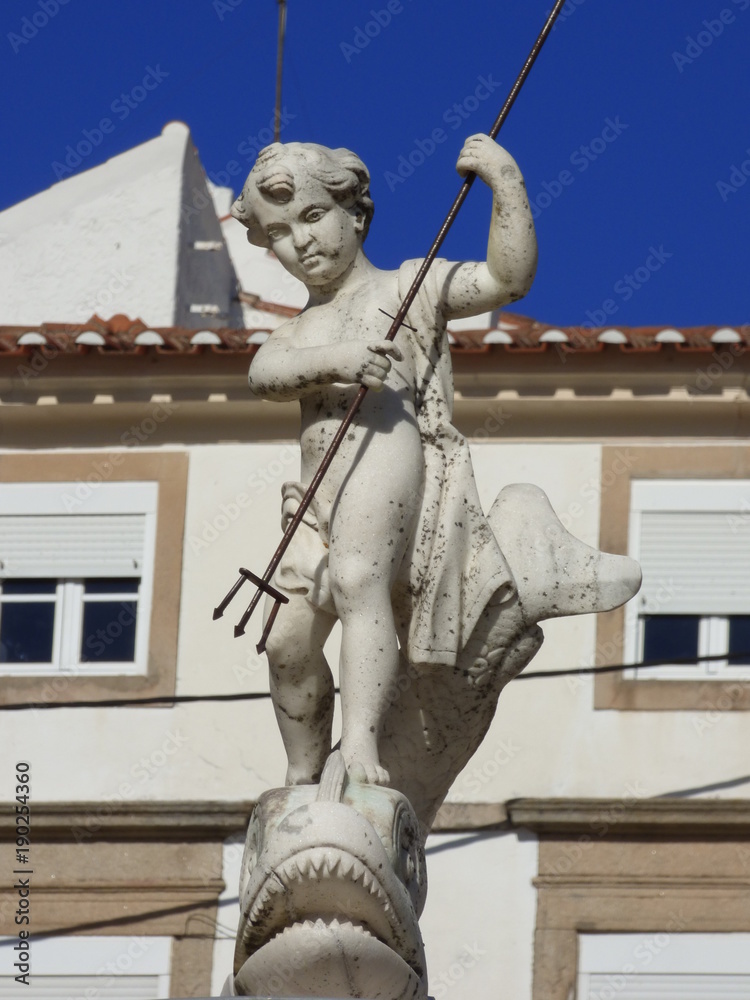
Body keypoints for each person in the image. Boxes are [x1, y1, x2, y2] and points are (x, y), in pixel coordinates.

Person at [231, 135, 537, 786]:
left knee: (355, 578)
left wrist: (502, 180)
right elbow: (264, 373)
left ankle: (361, 745)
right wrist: (339, 361)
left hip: (386, 452)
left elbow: (507, 278)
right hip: (314, 496)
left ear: (355, 213)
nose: (301, 241)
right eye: (280, 231)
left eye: (314, 216)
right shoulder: (295, 331)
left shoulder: (410, 289)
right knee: (286, 643)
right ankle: (302, 772)